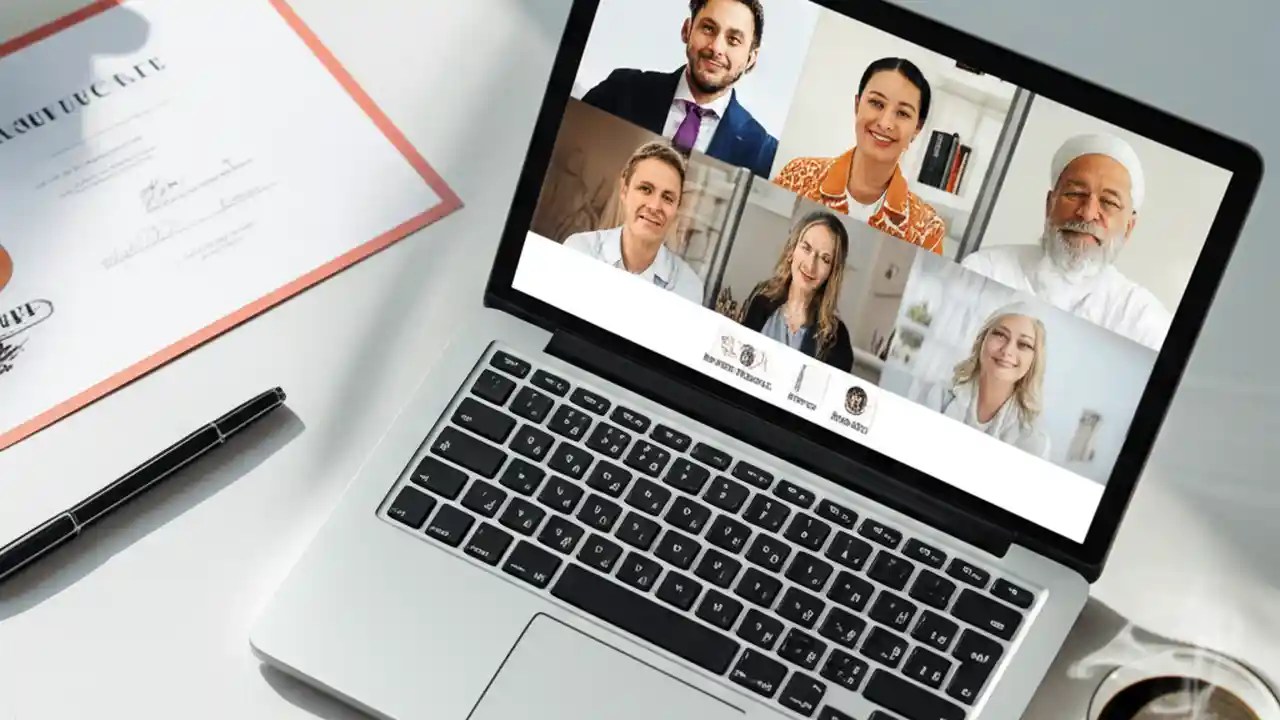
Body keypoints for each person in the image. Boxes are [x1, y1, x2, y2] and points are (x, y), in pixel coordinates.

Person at [961, 133, 1171, 350]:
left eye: (1109, 202)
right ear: (1049, 204)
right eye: (1075, 193)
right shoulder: (984, 270)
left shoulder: (1145, 321)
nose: (1087, 213)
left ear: (1129, 227)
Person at [581, 0, 777, 178]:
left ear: (751, 59)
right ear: (687, 30)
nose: (717, 48)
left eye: (733, 40)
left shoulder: (764, 154)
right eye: (708, 28)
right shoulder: (621, 91)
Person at [773, 57, 946, 255]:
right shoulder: (798, 176)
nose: (885, 123)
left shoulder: (927, 229)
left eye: (903, 113)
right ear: (857, 105)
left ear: (917, 129)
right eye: (876, 103)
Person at [563, 140, 705, 303]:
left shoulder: (687, 288)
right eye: (646, 189)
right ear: (624, 191)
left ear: (677, 209)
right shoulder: (580, 250)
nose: (654, 206)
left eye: (667, 198)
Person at [921, 304, 1051, 458]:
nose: (1007, 351)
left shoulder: (1035, 442)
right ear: (982, 340)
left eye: (1023, 344)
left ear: (1034, 360)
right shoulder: (937, 395)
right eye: (1001, 335)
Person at [735, 211, 854, 371]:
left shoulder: (837, 338)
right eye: (806, 248)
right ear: (792, 250)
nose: (810, 265)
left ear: (832, 272)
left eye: (825, 259)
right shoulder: (761, 300)